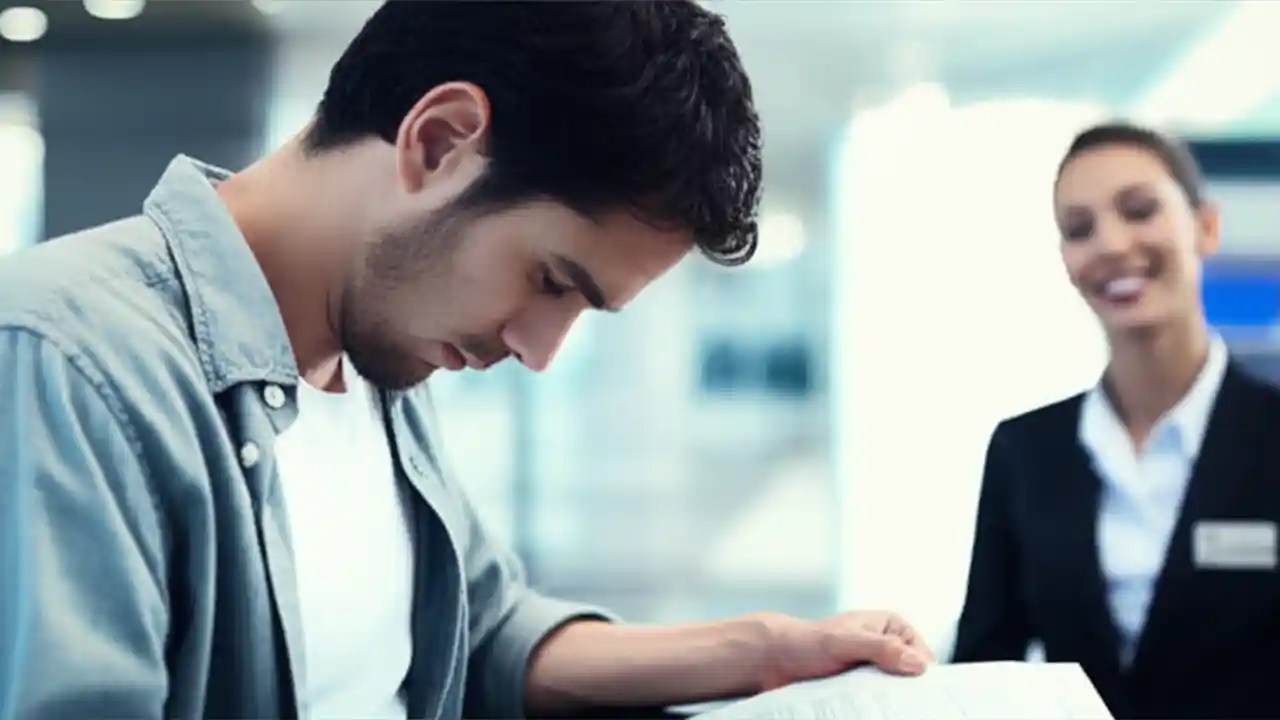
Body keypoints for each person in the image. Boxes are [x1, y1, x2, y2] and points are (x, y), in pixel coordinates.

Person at [0, 3, 933, 719]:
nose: (536, 350)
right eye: (550, 280)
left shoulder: (380, 353)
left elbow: (479, 630)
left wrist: (760, 650)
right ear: (439, 141)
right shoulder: (70, 358)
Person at [951, 121, 1280, 719]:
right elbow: (981, 668)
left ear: (1205, 226)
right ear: (1066, 261)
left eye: (1139, 210)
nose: (1111, 244)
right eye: (1080, 229)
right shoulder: (1025, 453)